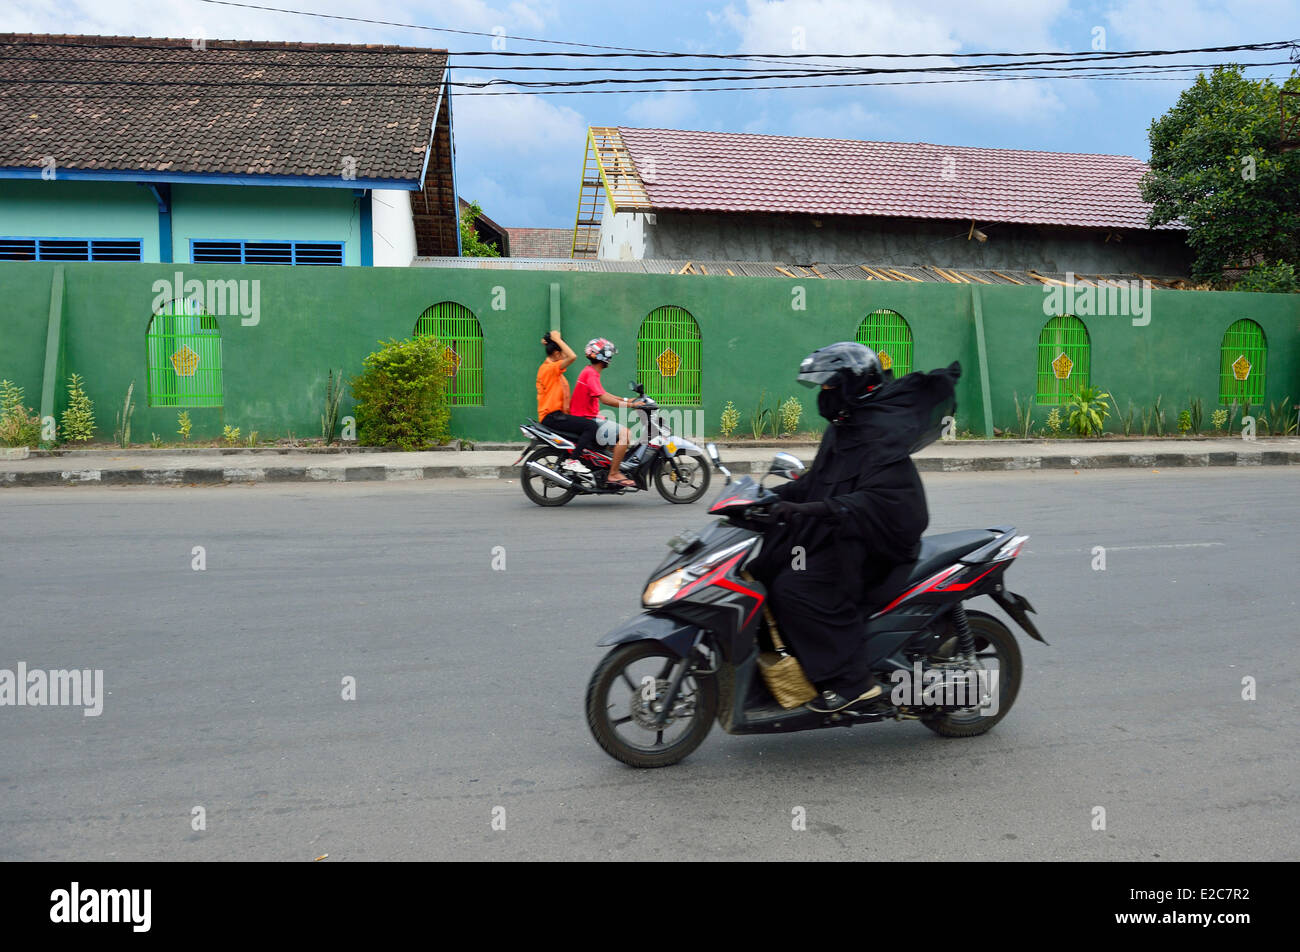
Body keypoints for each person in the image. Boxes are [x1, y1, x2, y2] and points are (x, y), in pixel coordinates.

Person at [756, 342, 960, 714]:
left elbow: (876, 502)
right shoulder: (844, 427)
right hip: (842, 530)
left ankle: (853, 682)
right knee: (768, 568)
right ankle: (797, 666)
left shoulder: (881, 431)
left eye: (830, 387)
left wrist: (813, 509)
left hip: (877, 544)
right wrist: (765, 499)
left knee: (795, 588)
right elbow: (817, 480)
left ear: (851, 386)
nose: (824, 395)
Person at [568, 338, 641, 489]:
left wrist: (627, 399)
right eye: (609, 355)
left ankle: (607, 468)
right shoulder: (591, 374)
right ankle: (613, 474)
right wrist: (631, 405)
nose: (610, 359)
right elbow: (605, 399)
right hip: (587, 419)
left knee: (615, 436)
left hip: (589, 417)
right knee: (625, 434)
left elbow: (603, 393)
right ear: (602, 357)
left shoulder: (590, 372)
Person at [534, 330, 590, 474]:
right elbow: (572, 356)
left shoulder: (554, 372)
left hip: (556, 416)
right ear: (557, 354)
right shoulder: (549, 369)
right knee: (591, 427)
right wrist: (558, 340)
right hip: (552, 417)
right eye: (562, 352)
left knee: (586, 425)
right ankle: (573, 461)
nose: (565, 355)